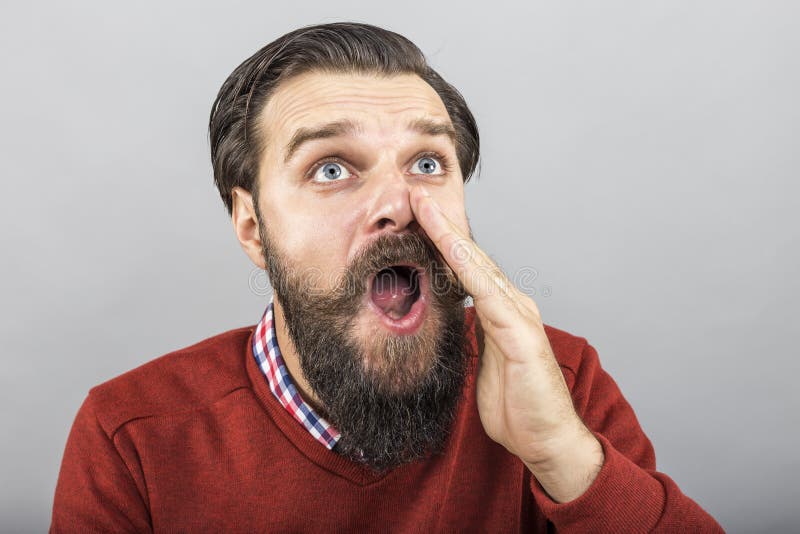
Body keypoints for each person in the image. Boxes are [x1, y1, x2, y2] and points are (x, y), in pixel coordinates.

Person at [50, 22, 724, 533]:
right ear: (252, 226)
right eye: (332, 169)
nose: (398, 206)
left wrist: (563, 457)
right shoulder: (131, 438)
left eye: (428, 163)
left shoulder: (559, 381)